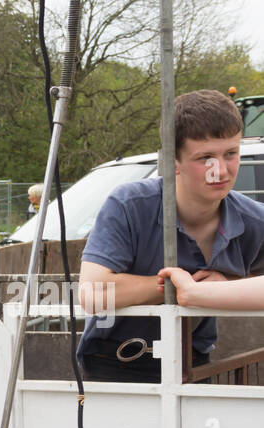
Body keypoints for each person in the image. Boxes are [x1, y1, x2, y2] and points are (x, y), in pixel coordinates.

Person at [77, 89, 264, 383]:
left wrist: (226, 285)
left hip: (194, 362)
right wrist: (178, 287)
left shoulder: (255, 220)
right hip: (113, 361)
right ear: (172, 161)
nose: (221, 170)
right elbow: (92, 293)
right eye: (205, 158)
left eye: (231, 153)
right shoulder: (129, 205)